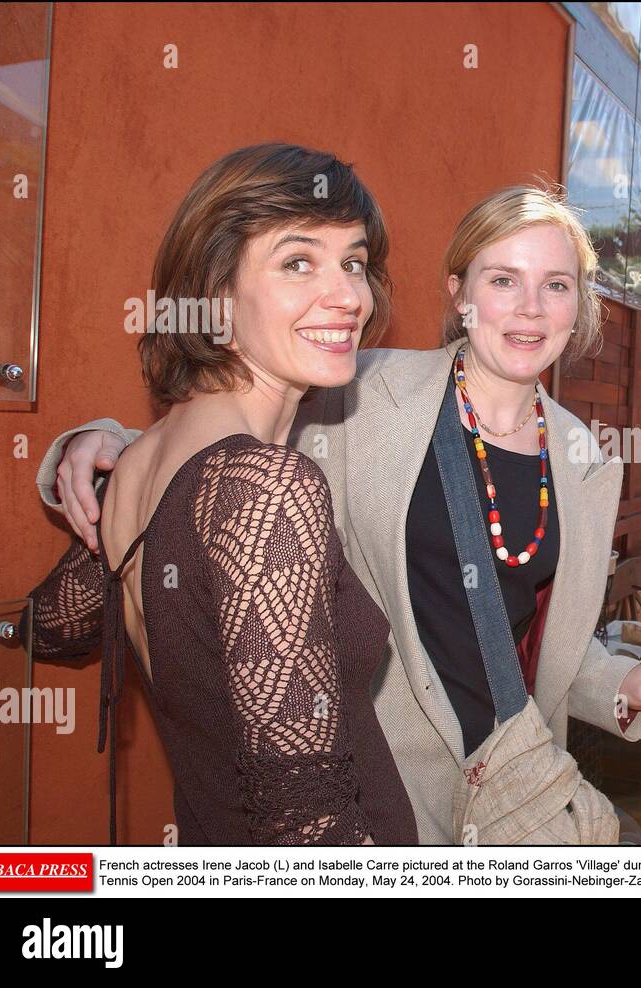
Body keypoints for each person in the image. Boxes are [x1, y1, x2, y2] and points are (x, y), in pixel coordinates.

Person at [38, 182, 641, 845]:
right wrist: (100, 443)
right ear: (459, 293)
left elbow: (531, 632)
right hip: (377, 797)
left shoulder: (584, 459)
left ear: (578, 304)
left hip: (509, 803)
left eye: (556, 285)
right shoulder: (357, 391)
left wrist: (628, 684)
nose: (531, 308)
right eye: (504, 280)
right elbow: (221, 449)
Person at [26, 143, 417, 845]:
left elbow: (49, 628)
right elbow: (308, 832)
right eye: (298, 261)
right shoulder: (263, 488)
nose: (349, 296)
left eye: (352, 262)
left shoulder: (141, 469)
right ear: (215, 295)